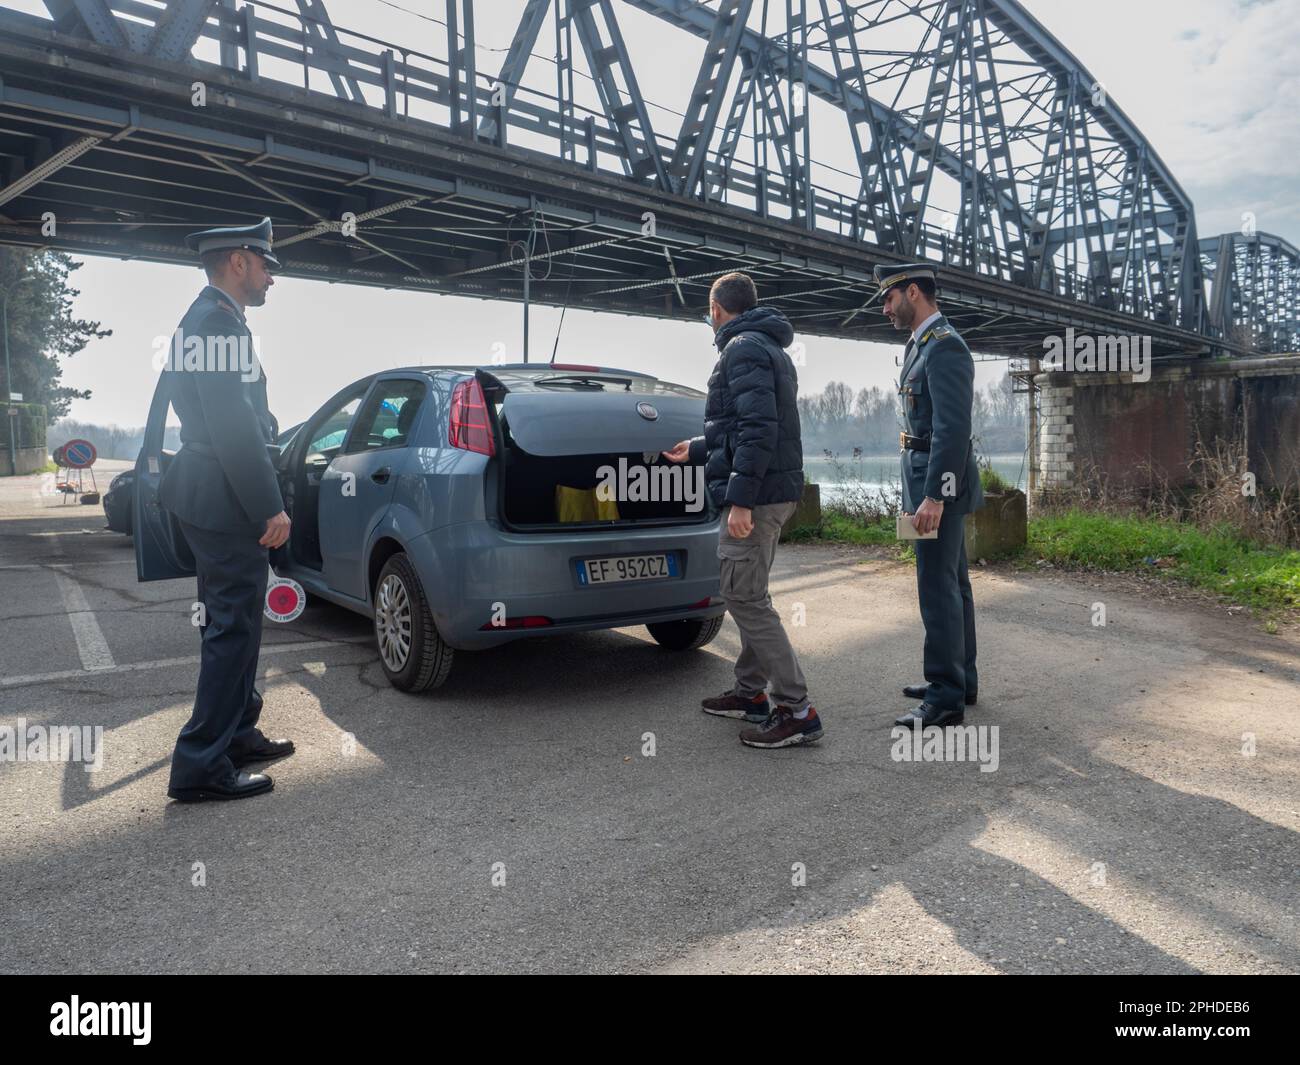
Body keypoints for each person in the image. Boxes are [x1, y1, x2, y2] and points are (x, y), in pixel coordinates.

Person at [161, 217, 295, 802]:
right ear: (238, 262)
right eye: (266, 265)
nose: (271, 278)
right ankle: (200, 765)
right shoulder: (216, 324)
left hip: (212, 492)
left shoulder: (210, 320)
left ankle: (237, 732)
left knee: (238, 624)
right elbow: (233, 426)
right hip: (225, 496)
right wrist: (270, 506)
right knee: (231, 629)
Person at [663, 272, 823, 748]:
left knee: (744, 597)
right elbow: (741, 426)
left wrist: (740, 499)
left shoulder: (741, 349)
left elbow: (757, 429)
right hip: (773, 490)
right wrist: (695, 449)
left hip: (759, 496)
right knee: (752, 593)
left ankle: (797, 709)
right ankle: (751, 694)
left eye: (707, 311)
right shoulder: (765, 345)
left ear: (716, 309)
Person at [873, 263, 983, 729]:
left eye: (889, 298)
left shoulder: (944, 348)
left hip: (938, 484)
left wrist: (936, 495)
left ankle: (945, 697)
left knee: (937, 589)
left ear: (912, 292)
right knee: (953, 585)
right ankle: (961, 680)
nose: (885, 308)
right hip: (924, 476)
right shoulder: (921, 346)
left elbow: (952, 429)